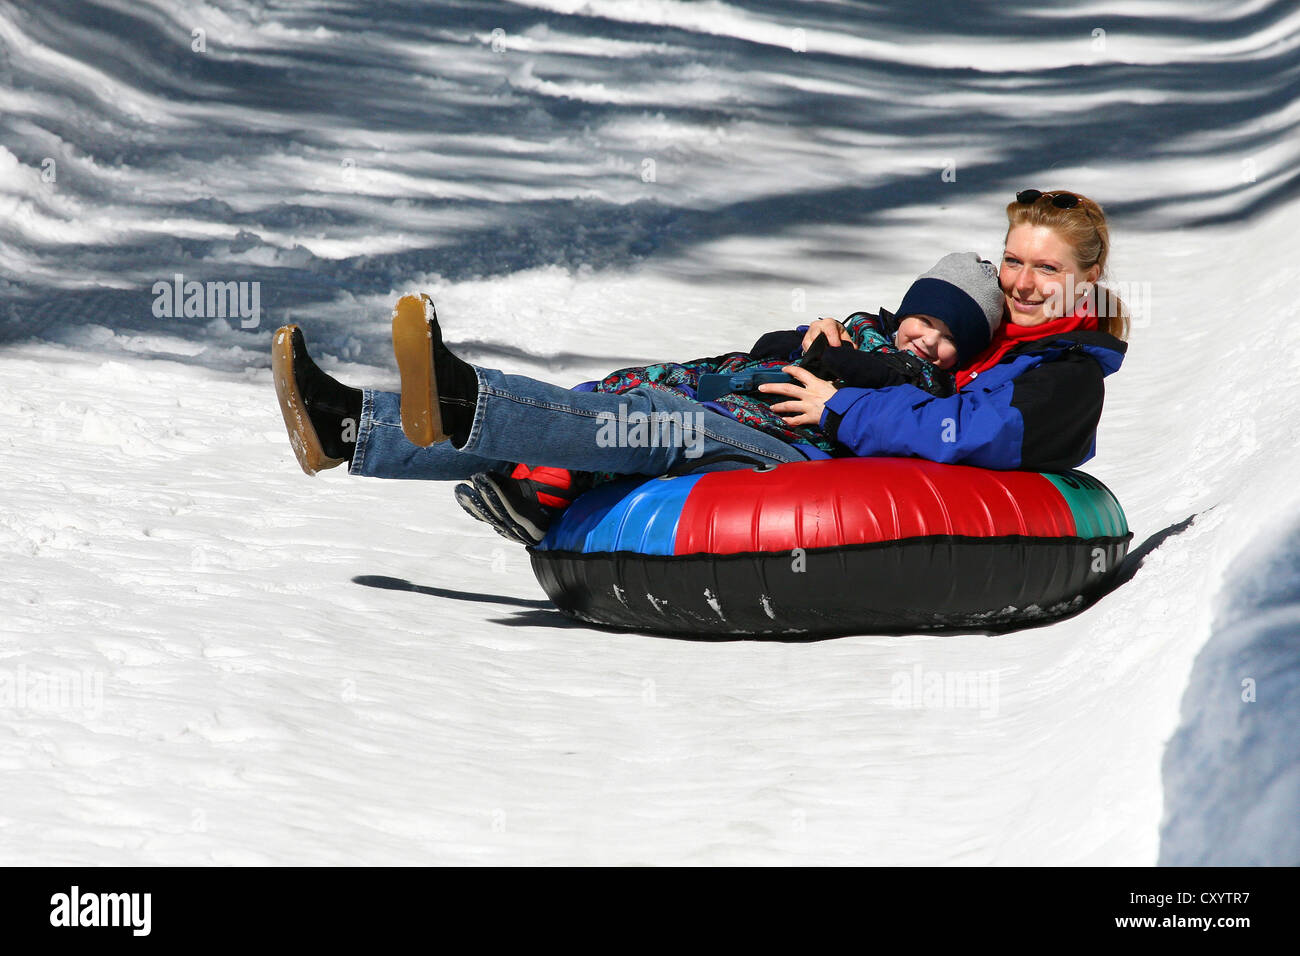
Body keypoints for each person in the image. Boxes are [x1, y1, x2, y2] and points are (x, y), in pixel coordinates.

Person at [273, 189, 1127, 538]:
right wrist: (816, 353)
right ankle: (351, 426)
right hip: (804, 425)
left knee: (657, 425)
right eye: (1013, 260)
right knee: (612, 403)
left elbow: (959, 434)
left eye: (1044, 269)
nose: (1019, 281)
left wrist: (836, 405)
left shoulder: (1063, 372)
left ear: (1086, 279)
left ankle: (470, 403)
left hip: (816, 451)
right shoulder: (1006, 340)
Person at [458, 252, 1005, 543]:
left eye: (952, 338)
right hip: (729, 374)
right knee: (629, 387)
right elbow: (764, 346)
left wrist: (828, 356)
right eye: (928, 321)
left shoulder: (920, 377)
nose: (932, 341)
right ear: (906, 309)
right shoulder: (856, 325)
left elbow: (870, 372)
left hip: (773, 418)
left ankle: (544, 487)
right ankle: (520, 458)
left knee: (663, 427)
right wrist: (807, 335)